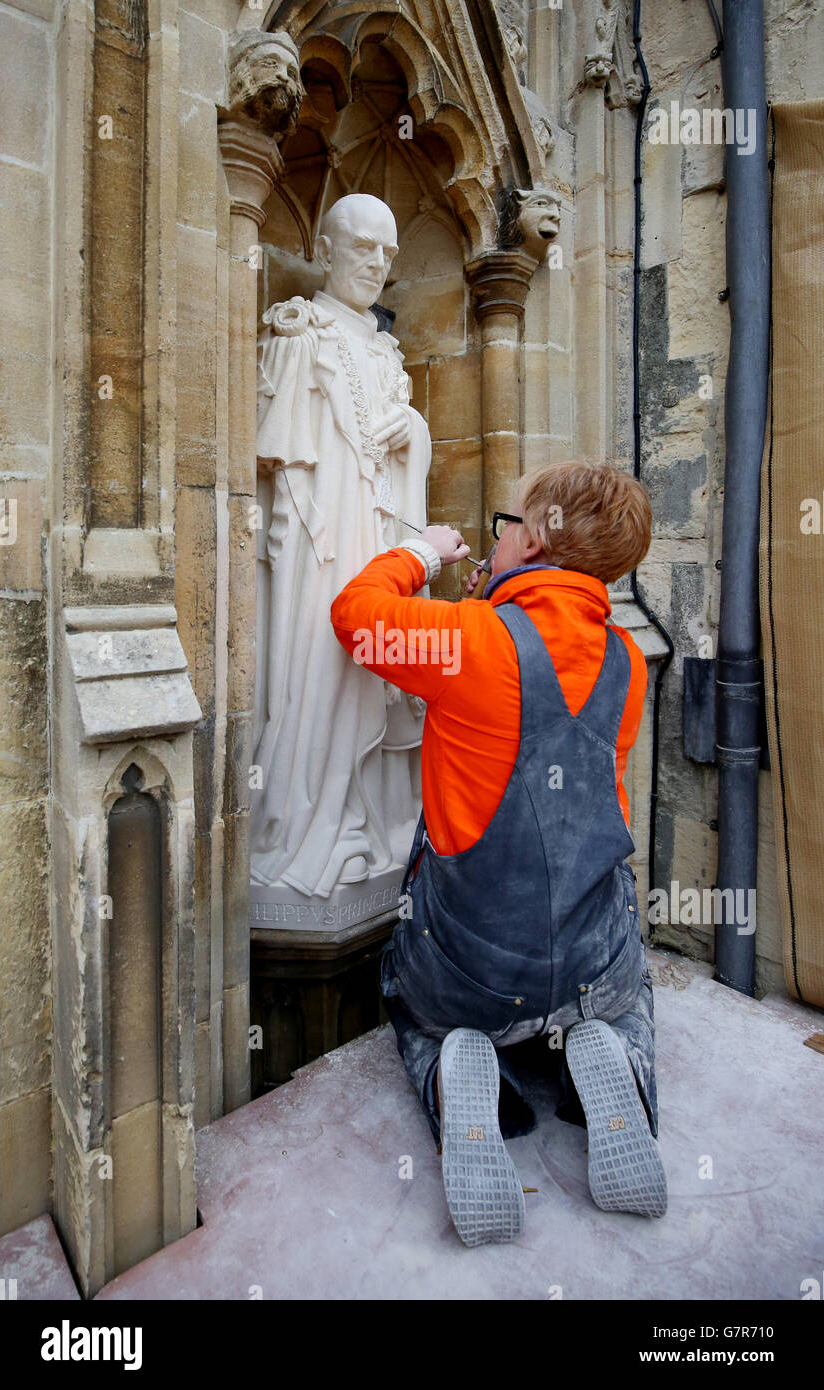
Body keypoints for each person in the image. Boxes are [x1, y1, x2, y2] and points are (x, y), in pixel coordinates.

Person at [330, 460, 667, 1246]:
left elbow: (357, 616)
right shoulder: (624, 659)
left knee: (407, 1000)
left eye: (503, 523)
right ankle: (620, 1059)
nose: (496, 536)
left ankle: (452, 1068)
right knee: (631, 989)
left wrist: (423, 557)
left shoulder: (469, 638)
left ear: (538, 535)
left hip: (468, 972)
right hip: (590, 960)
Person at [251, 194, 430, 898]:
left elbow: (398, 455)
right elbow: (283, 476)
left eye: (388, 254)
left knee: (378, 669)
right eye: (363, 247)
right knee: (315, 668)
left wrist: (414, 432)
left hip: (379, 535)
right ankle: (302, 828)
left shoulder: (386, 351)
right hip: (316, 548)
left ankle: (365, 821)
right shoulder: (299, 333)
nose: (377, 265)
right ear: (324, 250)